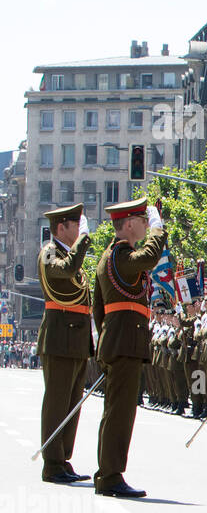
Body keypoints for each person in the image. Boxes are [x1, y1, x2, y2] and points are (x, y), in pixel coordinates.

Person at [92, 198, 167, 499]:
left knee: (115, 411)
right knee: (120, 413)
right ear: (129, 224)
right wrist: (159, 230)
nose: (146, 224)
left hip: (117, 340)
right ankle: (110, 475)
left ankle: (108, 472)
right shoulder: (122, 253)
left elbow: (98, 309)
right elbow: (149, 258)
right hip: (124, 342)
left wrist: (108, 335)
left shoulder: (107, 256)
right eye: (143, 219)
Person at [36, 203, 94, 485]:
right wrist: (83, 242)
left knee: (72, 403)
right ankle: (52, 462)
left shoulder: (69, 255)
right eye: (76, 226)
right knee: (57, 401)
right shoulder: (49, 252)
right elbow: (68, 269)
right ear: (62, 227)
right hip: (59, 338)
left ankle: (63, 457)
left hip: (76, 339)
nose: (80, 231)